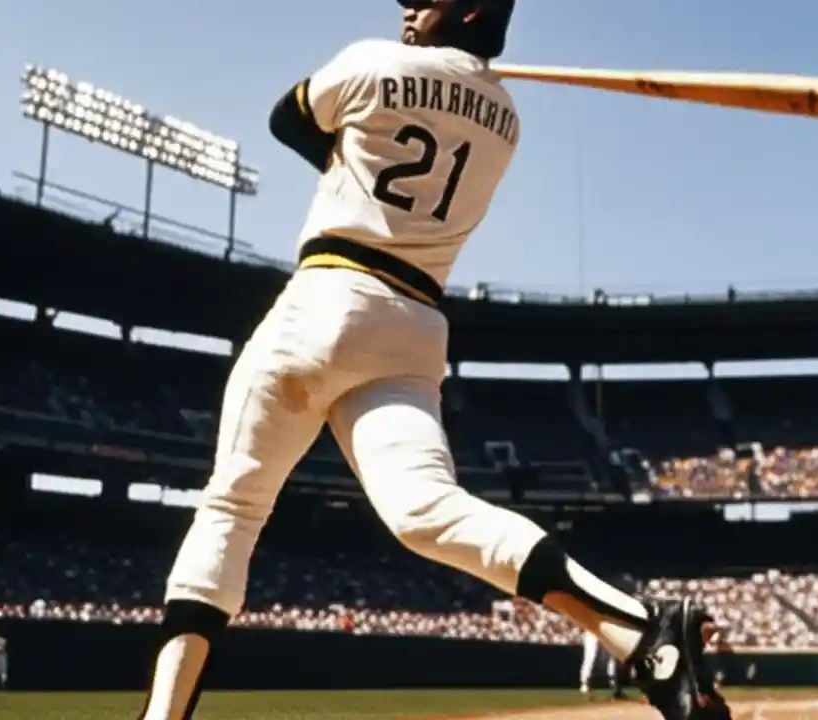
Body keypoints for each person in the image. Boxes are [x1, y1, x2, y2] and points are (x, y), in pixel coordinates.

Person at [134, 3, 732, 719]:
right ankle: (640, 629)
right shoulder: (507, 121)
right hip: (412, 327)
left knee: (232, 507)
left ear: (471, 7)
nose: (405, 4)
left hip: (327, 295)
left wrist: (353, 149)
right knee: (428, 512)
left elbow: (286, 120)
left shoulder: (369, 61)